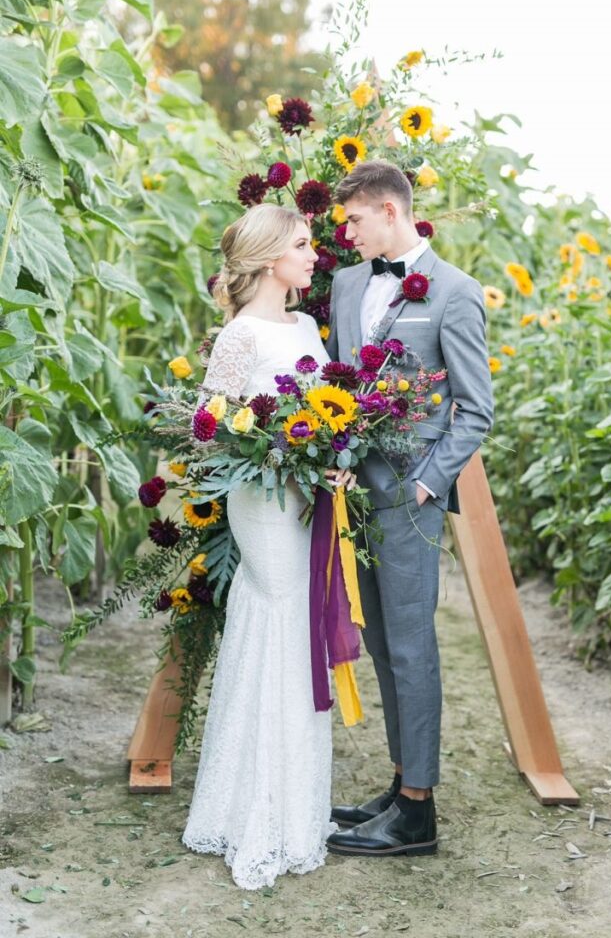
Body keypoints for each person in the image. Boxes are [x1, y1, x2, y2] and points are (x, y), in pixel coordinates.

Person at [181, 204, 353, 889]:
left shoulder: (307, 326)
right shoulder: (239, 336)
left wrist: (330, 456)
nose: (314, 256)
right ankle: (259, 812)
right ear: (267, 257)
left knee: (296, 624)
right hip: (261, 497)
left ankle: (293, 807)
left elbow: (324, 409)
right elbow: (204, 430)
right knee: (278, 616)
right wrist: (269, 447)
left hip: (307, 496)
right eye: (304, 245)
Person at [325, 160, 494, 857]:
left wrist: (426, 485)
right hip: (351, 496)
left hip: (409, 495)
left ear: (389, 212)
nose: (347, 233)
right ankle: (400, 784)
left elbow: (475, 408)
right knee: (380, 645)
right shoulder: (342, 284)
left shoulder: (454, 294)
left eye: (355, 221)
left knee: (411, 642)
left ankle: (418, 812)